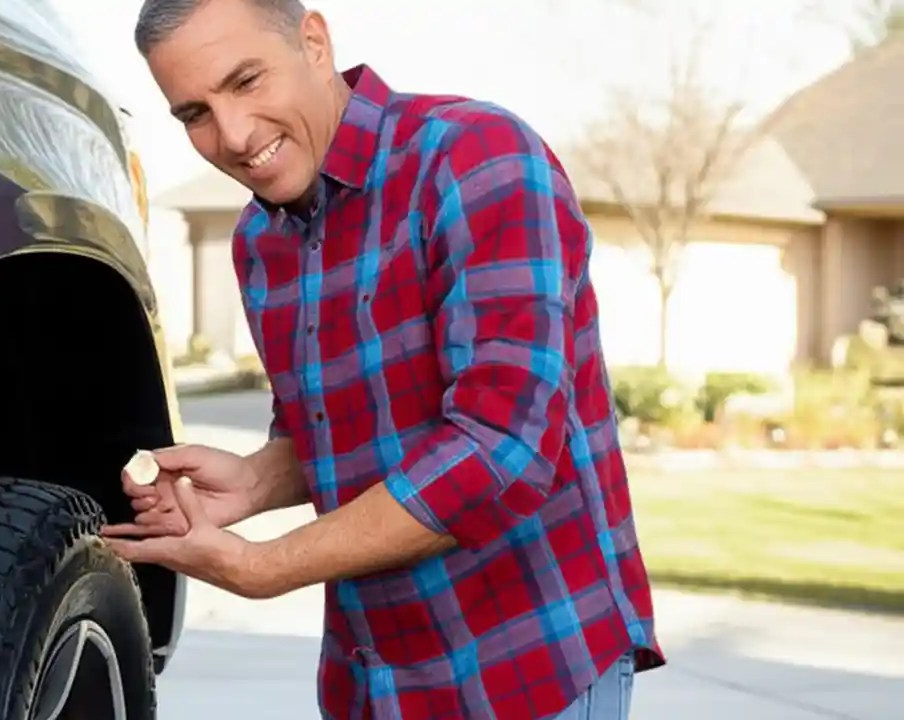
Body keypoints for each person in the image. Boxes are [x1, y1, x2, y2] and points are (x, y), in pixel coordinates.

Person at [100, 1, 665, 717]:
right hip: (375, 681)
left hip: (525, 665)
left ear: (313, 41)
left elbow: (502, 448)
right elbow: (342, 430)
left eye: (246, 82)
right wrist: (253, 481)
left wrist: (267, 566)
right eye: (194, 114)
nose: (233, 136)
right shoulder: (260, 243)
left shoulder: (477, 160)